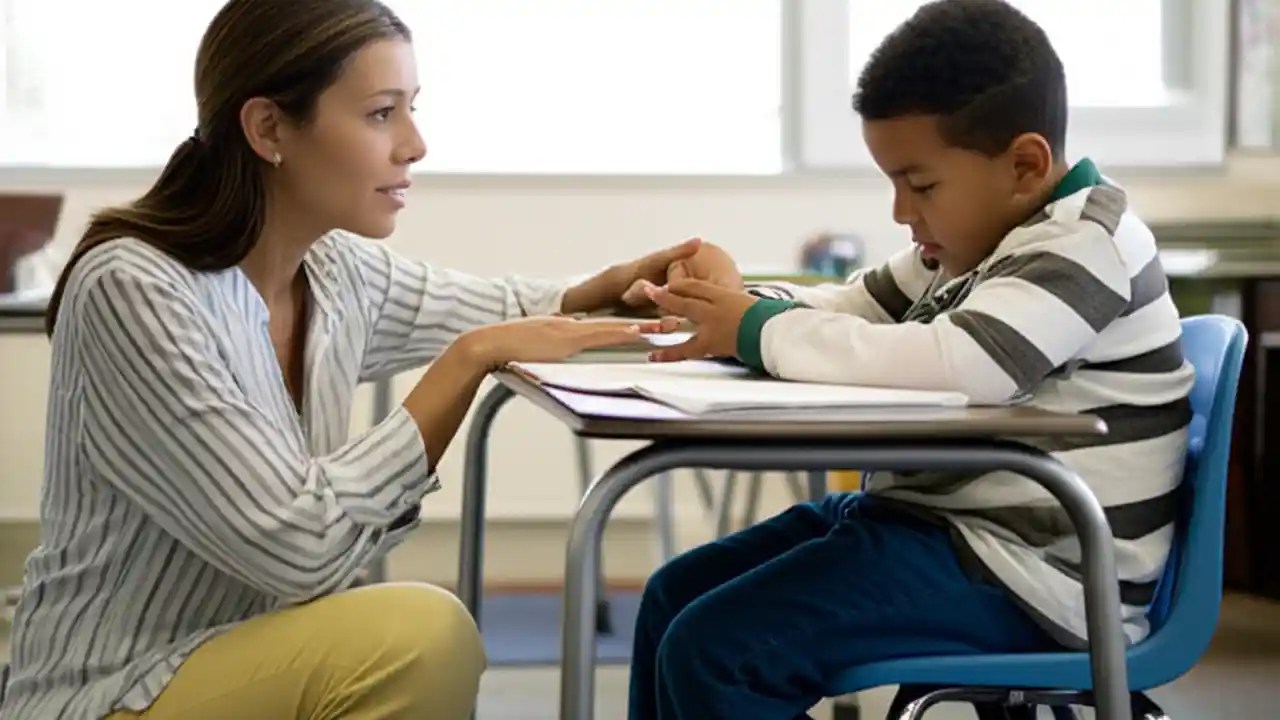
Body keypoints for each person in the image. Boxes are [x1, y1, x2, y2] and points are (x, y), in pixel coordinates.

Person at [0, 1, 736, 719]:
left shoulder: (334, 270)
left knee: (413, 636)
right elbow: (299, 547)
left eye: (411, 108)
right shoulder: (134, 287)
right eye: (382, 113)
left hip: (255, 660)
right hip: (113, 690)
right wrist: (466, 362)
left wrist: (615, 292)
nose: (414, 144)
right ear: (267, 127)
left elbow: (505, 308)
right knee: (419, 638)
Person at [629, 1, 1195, 718]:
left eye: (920, 184)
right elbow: (846, 307)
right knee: (672, 599)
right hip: (934, 527)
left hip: (1034, 573)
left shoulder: (1088, 246)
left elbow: (965, 364)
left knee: (719, 649)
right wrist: (732, 301)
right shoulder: (973, 245)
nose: (901, 210)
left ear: (1025, 166)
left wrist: (755, 329)